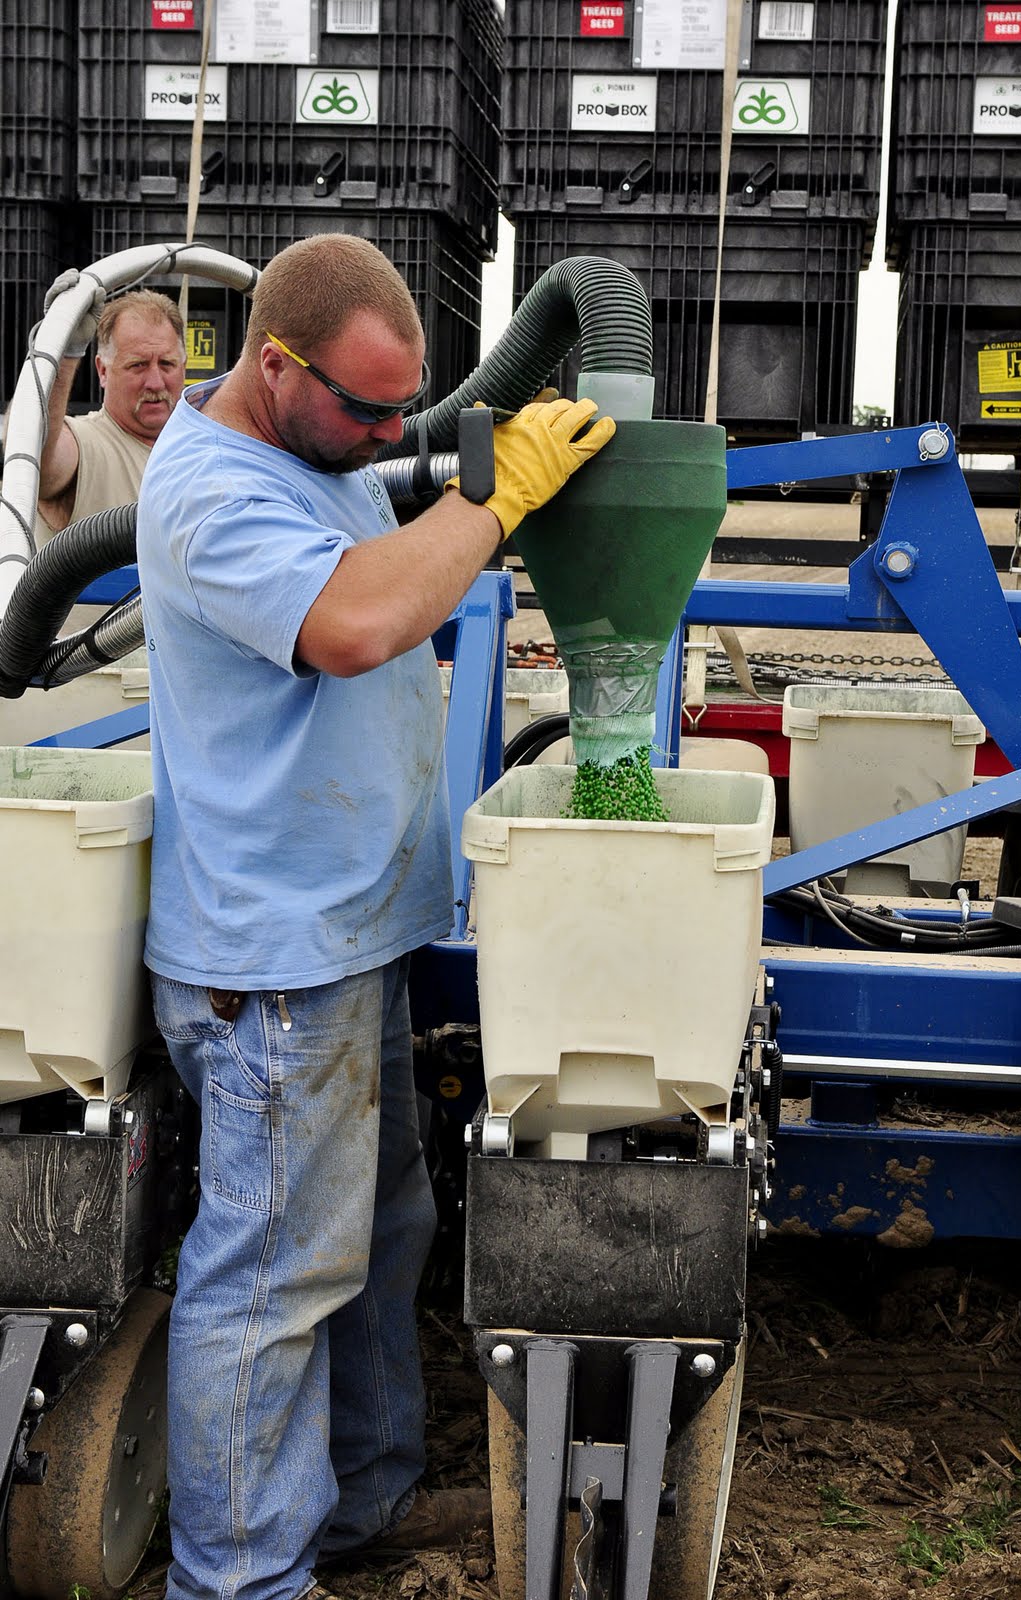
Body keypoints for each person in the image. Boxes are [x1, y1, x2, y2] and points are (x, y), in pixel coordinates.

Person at [134, 231, 615, 1600]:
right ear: (272, 366)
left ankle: (361, 1495)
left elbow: (390, 530)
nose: (398, 432)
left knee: (381, 1228)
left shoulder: (314, 455)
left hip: (346, 935)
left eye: (410, 405)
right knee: (273, 1278)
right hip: (274, 964)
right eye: (370, 406)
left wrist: (463, 467)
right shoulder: (210, 491)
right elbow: (352, 625)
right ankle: (239, 1578)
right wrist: (499, 495)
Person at [34, 280, 186, 545]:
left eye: (166, 364)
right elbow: (36, 464)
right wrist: (60, 349)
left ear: (183, 366)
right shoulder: (86, 444)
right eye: (137, 365)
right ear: (103, 371)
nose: (155, 382)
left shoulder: (200, 450)